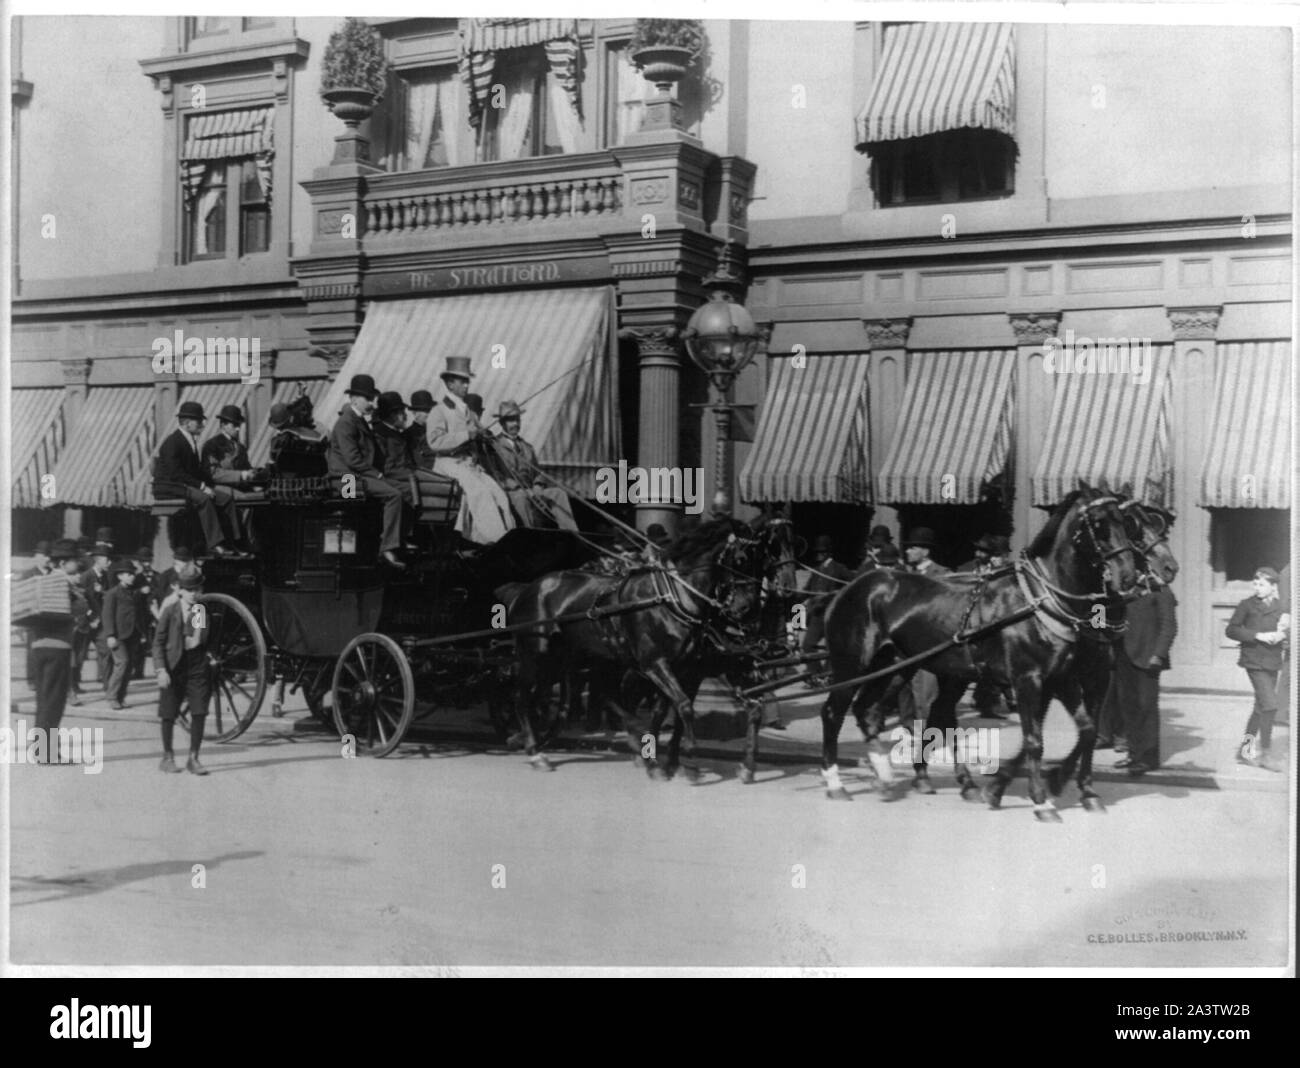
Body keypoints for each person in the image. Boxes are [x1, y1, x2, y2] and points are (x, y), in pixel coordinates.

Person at [422, 357, 516, 545]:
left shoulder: (469, 412)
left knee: (499, 494)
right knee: (480, 492)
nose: (466, 385)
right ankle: (495, 540)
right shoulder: (439, 411)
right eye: (462, 381)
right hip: (448, 464)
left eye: (467, 381)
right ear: (450, 383)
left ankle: (510, 539)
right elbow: (435, 442)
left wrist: (483, 435)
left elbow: (480, 433)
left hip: (469, 465)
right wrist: (467, 435)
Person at [326, 374, 408, 569]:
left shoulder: (358, 420)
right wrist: (377, 475)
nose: (371, 403)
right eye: (368, 398)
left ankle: (399, 539)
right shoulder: (346, 422)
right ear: (354, 398)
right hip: (344, 479)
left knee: (404, 490)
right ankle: (386, 548)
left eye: (372, 399)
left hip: (356, 475)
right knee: (393, 495)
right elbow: (352, 459)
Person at [152, 401, 244, 556]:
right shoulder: (172, 442)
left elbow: (195, 471)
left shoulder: (189, 440)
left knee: (226, 498)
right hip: (169, 486)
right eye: (199, 421)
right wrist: (202, 487)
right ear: (187, 423)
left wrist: (211, 484)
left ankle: (234, 541)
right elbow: (175, 474)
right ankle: (215, 544)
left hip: (183, 484)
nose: (202, 424)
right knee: (204, 499)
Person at [899, 528, 951, 789]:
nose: (907, 550)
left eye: (912, 547)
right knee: (904, 703)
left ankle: (921, 765)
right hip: (901, 650)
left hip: (928, 651)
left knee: (925, 705)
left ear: (925, 551)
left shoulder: (943, 575)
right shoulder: (903, 575)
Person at [1108, 582, 1178, 775]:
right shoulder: (1119, 589)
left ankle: (1148, 759)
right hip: (1122, 656)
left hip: (1148, 657)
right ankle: (1134, 754)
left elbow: (1169, 626)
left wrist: (1159, 654)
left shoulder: (1159, 589)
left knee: (1146, 707)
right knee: (1128, 707)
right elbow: (1100, 616)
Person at [1227, 566, 1288, 769]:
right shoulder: (1246, 605)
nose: (1257, 588)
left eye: (1261, 584)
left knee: (1260, 708)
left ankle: (1245, 752)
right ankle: (1266, 754)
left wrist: (1283, 634)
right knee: (1270, 704)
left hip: (1272, 661)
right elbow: (1231, 630)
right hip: (1253, 661)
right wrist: (1257, 635)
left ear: (1273, 586)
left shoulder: (1281, 607)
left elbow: (1288, 629)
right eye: (1255, 584)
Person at [154, 571, 214, 775]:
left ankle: (193, 758)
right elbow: (158, 643)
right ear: (180, 590)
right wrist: (161, 670)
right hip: (173, 668)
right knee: (168, 713)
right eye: (189, 590)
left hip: (196, 668)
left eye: (196, 589)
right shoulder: (170, 611)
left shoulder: (200, 611)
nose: (193, 593)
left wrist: (204, 652)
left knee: (199, 712)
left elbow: (200, 638)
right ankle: (167, 757)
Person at [372, 391, 449, 543]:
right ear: (392, 415)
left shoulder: (395, 434)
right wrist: (413, 474)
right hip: (388, 479)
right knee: (410, 491)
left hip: (405, 475)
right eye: (401, 412)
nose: (404, 415)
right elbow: (387, 467)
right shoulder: (381, 435)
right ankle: (402, 538)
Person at [29, 539, 81, 763]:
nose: (78, 564)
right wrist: (78, 592)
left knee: (43, 699)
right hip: (58, 647)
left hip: (38, 646)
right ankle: (46, 753)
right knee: (54, 701)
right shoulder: (65, 583)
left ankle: (41, 750)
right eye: (74, 561)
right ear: (63, 563)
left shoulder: (42, 581)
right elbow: (81, 609)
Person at [491, 400, 578, 530]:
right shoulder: (495, 446)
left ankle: (571, 534)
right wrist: (519, 488)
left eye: (517, 419)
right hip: (511, 493)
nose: (515, 424)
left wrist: (538, 485)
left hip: (532, 491)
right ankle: (531, 536)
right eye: (510, 420)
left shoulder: (527, 447)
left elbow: (538, 472)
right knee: (522, 498)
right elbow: (496, 476)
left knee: (558, 493)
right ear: (502, 423)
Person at [801, 535, 853, 658]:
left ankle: (830, 670)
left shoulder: (839, 568)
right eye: (817, 552)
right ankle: (817, 670)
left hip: (833, 616)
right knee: (807, 646)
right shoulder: (816, 570)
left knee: (833, 650)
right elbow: (807, 591)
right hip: (817, 615)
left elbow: (854, 583)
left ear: (829, 552)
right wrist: (791, 595)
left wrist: (837, 594)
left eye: (822, 551)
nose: (819, 554)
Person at [101, 558, 140, 710]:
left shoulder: (135, 592)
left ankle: (121, 697)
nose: (132, 577)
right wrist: (110, 635)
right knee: (122, 663)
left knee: (128, 666)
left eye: (133, 574)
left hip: (132, 634)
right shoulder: (113, 593)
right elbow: (107, 615)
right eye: (128, 574)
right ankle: (112, 696)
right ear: (120, 576)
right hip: (118, 635)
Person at [20, 540, 54, 686]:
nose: (47, 558)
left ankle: (46, 677)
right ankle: (32, 679)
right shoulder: (28, 574)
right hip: (33, 617)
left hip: (51, 616)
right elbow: (22, 596)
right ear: (37, 557)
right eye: (44, 555)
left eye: (49, 556)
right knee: (33, 648)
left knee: (48, 648)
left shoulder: (53, 573)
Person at [1277, 563, 1291, 727]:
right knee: (1290, 669)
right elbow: (1285, 606)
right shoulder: (1288, 572)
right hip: (1293, 623)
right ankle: (1281, 712)